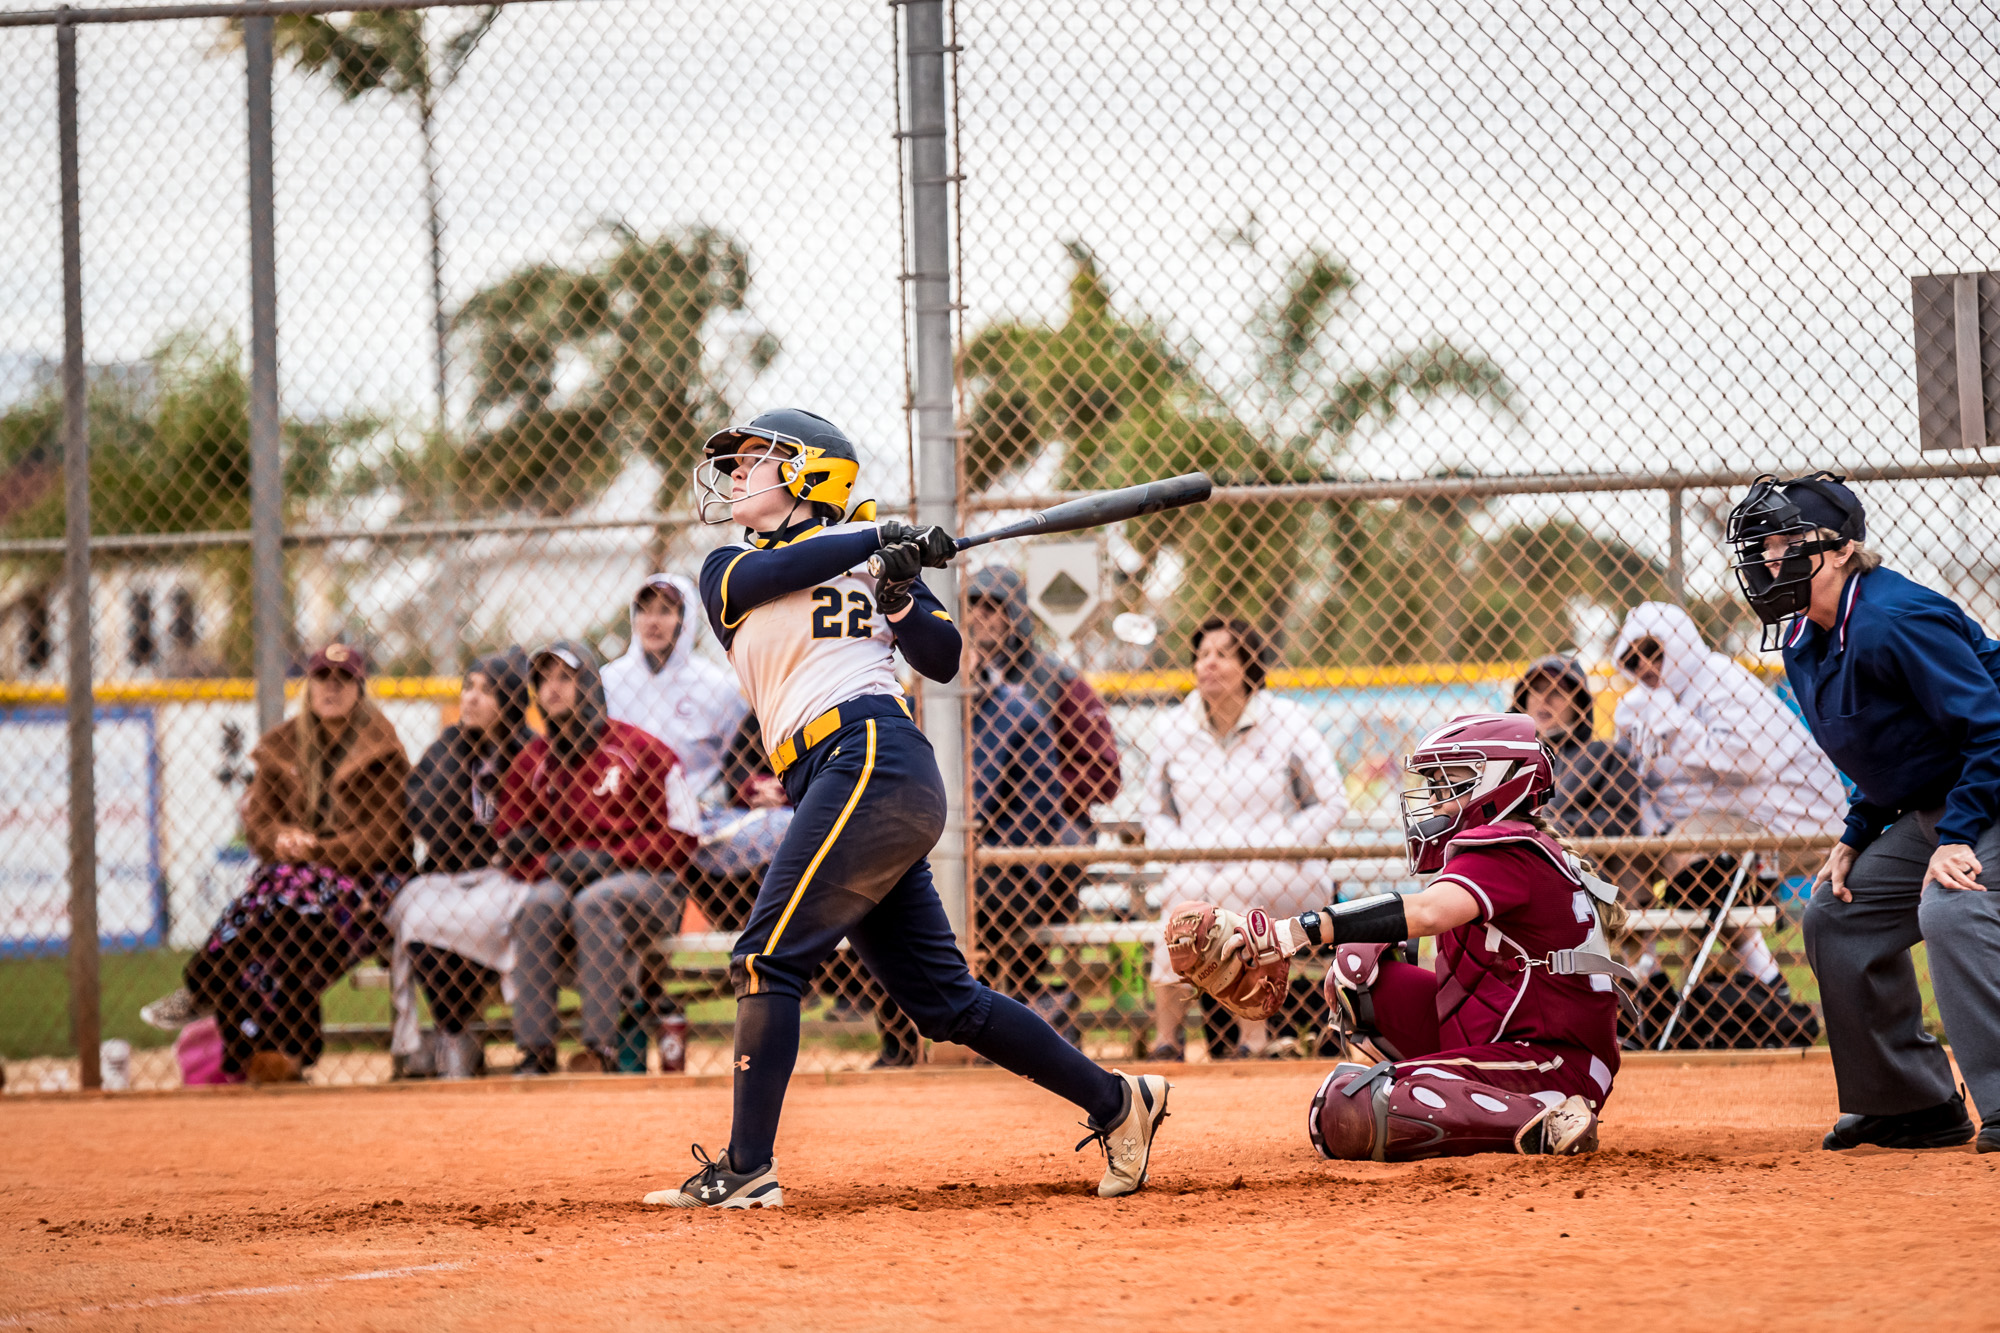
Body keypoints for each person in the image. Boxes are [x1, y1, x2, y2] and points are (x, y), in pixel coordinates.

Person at [643, 407, 1168, 1209]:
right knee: (942, 1001)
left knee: (765, 956)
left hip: (874, 760)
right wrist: (876, 539)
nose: (739, 473)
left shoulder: (872, 564)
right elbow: (767, 578)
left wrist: (898, 589)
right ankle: (1117, 1102)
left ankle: (747, 1167)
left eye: (759, 460)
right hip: (836, 777)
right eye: (739, 462)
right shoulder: (727, 571)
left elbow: (944, 657)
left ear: (810, 472)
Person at [1167, 713, 1625, 1160]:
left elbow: (1425, 913)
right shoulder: (1503, 848)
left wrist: (1296, 931)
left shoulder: (1509, 848)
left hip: (1556, 1062)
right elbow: (1441, 940)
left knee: (1349, 1105)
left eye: (1452, 783)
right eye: (1435, 785)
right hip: (1510, 1038)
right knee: (1356, 972)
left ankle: (1549, 1118)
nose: (1437, 800)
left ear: (1503, 781)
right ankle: (1487, 1099)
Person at [1729, 471, 2000, 1153]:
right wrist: (1855, 836)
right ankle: (1912, 1101)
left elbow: (1991, 729)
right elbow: (1892, 751)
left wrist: (1958, 836)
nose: (1771, 560)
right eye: (1764, 546)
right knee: (1834, 912)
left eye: (1790, 542)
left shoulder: (1893, 617)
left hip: (1986, 791)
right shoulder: (1804, 642)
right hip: (1955, 798)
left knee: (1952, 903)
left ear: (1844, 548)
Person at [162, 644, 411, 1083]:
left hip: (366, 884)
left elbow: (383, 839)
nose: (331, 688)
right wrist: (282, 839)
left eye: (342, 680)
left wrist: (315, 850)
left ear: (359, 689)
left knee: (283, 907)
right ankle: (278, 1055)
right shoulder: (283, 745)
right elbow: (259, 822)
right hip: (294, 885)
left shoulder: (382, 750)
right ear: (309, 685)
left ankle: (207, 979)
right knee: (280, 916)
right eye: (322, 678)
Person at [1611, 600, 1845, 999]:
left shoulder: (1720, 679)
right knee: (1623, 854)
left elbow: (1747, 760)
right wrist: (1644, 834)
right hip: (1709, 824)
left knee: (1689, 846)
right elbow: (1640, 785)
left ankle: (1767, 979)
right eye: (1633, 660)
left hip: (1795, 821)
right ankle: (1643, 981)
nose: (1646, 667)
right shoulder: (1637, 706)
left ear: (1680, 643)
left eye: (1654, 651)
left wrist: (1671, 722)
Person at [1144, 617, 1347, 1060]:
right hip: (1200, 864)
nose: (1208, 663)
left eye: (1223, 653)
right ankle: (1165, 1042)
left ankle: (1252, 1039)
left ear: (1249, 663)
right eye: (1201, 655)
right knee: (1182, 896)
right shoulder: (1174, 728)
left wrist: (1282, 845)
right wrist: (1184, 853)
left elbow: (1331, 801)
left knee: (1235, 889)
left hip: (1283, 866)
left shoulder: (1287, 721)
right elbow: (1155, 812)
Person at [497, 641, 702, 1075]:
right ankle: (535, 1051)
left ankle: (600, 1049)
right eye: (543, 680)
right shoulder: (534, 761)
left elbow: (684, 834)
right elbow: (509, 837)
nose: (552, 689)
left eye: (565, 678)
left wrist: (614, 858)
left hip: (649, 884)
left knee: (596, 902)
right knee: (537, 905)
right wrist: (548, 866)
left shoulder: (642, 749)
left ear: (588, 683)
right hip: (566, 879)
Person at [385, 648, 536, 1080]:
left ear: (509, 701)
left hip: (507, 878)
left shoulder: (528, 750)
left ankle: (459, 1033)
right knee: (416, 916)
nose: (469, 699)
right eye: (467, 687)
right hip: (450, 876)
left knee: (489, 919)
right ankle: (456, 1031)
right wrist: (458, 751)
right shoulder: (447, 748)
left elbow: (525, 832)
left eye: (486, 692)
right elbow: (431, 822)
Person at [1509, 655, 1641, 844]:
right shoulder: (1511, 759)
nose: (1543, 699)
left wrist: (1551, 828)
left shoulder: (1604, 755)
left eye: (1556, 691)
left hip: (1574, 860)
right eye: (1536, 689)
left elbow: (1621, 823)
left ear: (1579, 703)